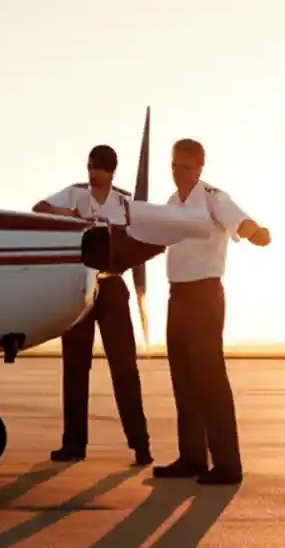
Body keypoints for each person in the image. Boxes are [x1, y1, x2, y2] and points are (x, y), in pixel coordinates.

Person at [152, 138, 271, 485]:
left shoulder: (213, 197)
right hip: (178, 296)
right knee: (183, 378)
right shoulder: (172, 203)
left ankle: (228, 465)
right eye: (174, 166)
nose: (178, 173)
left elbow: (240, 220)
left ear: (199, 168)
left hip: (204, 295)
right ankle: (192, 458)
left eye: (185, 167)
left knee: (210, 379)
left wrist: (256, 233)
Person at [33, 144, 153, 466]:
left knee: (124, 367)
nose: (92, 172)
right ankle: (73, 444)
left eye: (98, 167)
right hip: (79, 287)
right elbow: (38, 208)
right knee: (74, 367)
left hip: (113, 286)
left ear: (111, 171)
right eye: (89, 166)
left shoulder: (127, 203)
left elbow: (149, 231)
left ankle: (140, 444)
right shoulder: (74, 194)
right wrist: (65, 215)